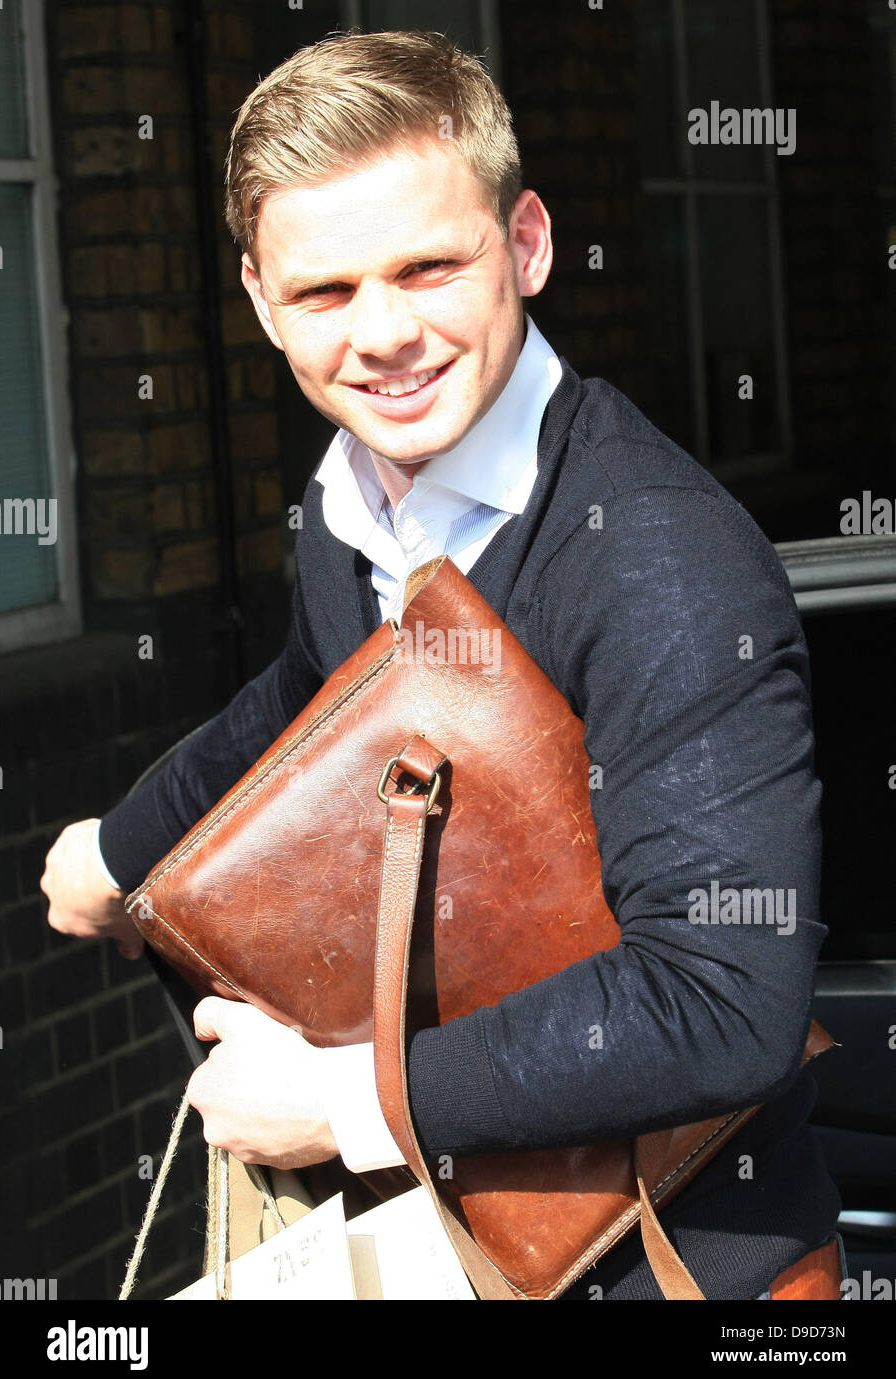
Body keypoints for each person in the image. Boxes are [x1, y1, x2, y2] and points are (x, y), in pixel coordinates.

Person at [41, 30, 843, 1299]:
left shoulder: (663, 563)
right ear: (258, 299)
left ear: (524, 244)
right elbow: (310, 693)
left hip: (672, 1267)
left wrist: (341, 1098)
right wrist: (118, 846)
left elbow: (719, 999)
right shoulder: (353, 500)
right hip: (450, 1250)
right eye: (324, 292)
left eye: (428, 266)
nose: (384, 336)